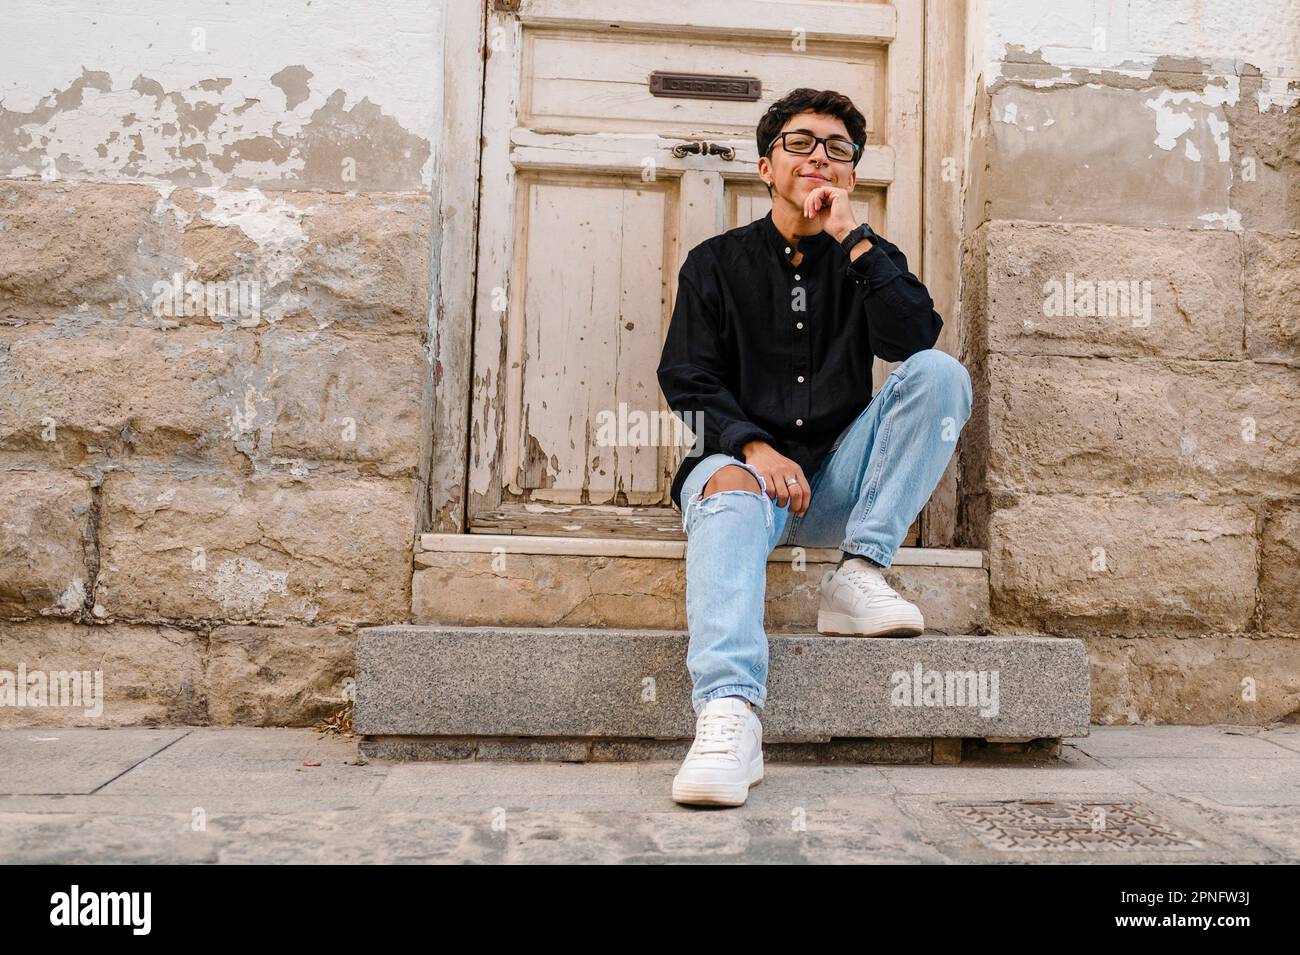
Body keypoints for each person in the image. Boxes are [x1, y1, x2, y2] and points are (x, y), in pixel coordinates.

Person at [655, 88, 973, 807]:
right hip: (748, 476)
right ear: (766, 167)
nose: (818, 157)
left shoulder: (867, 257)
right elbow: (687, 379)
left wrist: (854, 238)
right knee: (728, 485)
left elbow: (911, 341)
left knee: (941, 375)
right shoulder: (715, 264)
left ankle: (858, 571)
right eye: (799, 143)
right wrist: (753, 447)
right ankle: (729, 715)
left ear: (852, 174)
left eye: (836, 148)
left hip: (837, 485)